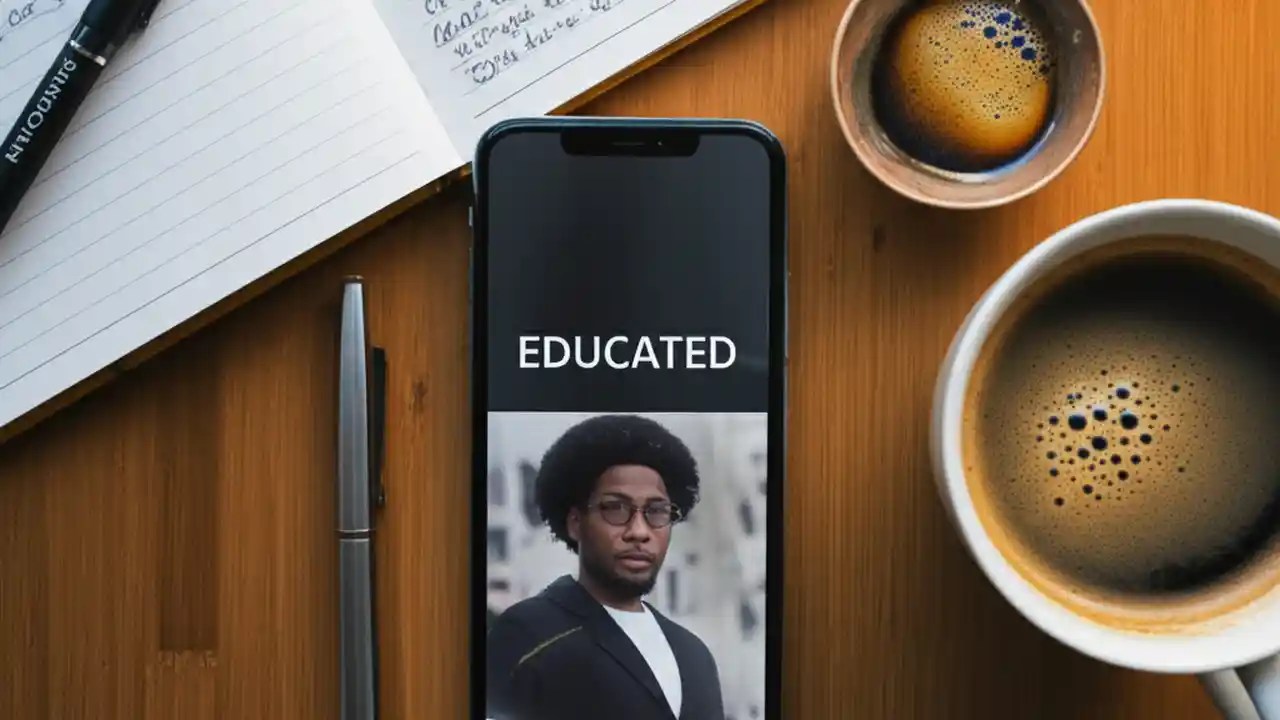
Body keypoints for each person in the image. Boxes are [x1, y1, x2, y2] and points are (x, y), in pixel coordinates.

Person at [485, 414, 725, 720]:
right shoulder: (527, 634)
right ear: (575, 523)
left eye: (656, 511)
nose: (639, 531)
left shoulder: (694, 655)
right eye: (615, 508)